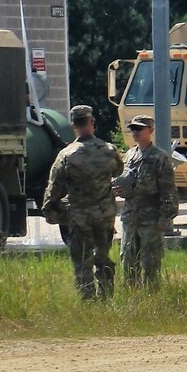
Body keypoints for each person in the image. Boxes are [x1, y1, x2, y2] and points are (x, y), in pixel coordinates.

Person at [44, 105, 124, 301]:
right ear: (92, 123)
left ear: (73, 126)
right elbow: (118, 171)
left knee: (82, 261)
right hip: (105, 216)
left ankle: (88, 300)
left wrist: (50, 210)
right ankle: (106, 297)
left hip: (79, 216)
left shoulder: (66, 155)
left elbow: (54, 188)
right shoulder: (109, 150)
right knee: (103, 256)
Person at [113, 114, 179, 289]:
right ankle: (131, 294)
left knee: (150, 261)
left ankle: (152, 296)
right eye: (133, 129)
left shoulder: (159, 157)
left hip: (150, 218)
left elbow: (168, 190)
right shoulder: (129, 155)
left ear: (150, 131)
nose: (135, 132)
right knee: (127, 259)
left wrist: (165, 217)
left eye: (139, 129)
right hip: (130, 217)